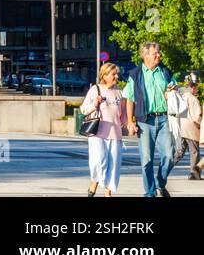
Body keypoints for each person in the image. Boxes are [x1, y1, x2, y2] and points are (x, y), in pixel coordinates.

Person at [123, 42, 178, 197]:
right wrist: (130, 121)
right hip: (144, 121)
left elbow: (175, 89)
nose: (159, 55)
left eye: (159, 52)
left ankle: (160, 183)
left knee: (169, 154)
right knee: (146, 160)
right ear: (145, 55)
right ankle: (150, 192)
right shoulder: (135, 74)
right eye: (155, 53)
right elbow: (129, 99)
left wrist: (172, 91)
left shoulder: (165, 72)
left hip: (164, 119)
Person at [81, 61, 128, 196]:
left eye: (117, 74)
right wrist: (94, 104)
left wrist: (129, 124)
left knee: (114, 167)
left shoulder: (119, 92)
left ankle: (108, 193)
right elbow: (84, 109)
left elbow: (123, 115)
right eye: (113, 74)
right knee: (99, 162)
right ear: (105, 75)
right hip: (97, 133)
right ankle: (93, 184)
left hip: (115, 134)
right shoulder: (95, 89)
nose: (116, 77)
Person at [179, 70, 201, 182]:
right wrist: (201, 125)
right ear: (193, 87)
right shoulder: (193, 99)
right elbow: (197, 116)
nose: (197, 89)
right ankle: (194, 173)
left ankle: (168, 164)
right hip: (191, 129)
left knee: (180, 151)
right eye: (196, 87)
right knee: (194, 152)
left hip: (182, 127)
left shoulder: (182, 96)